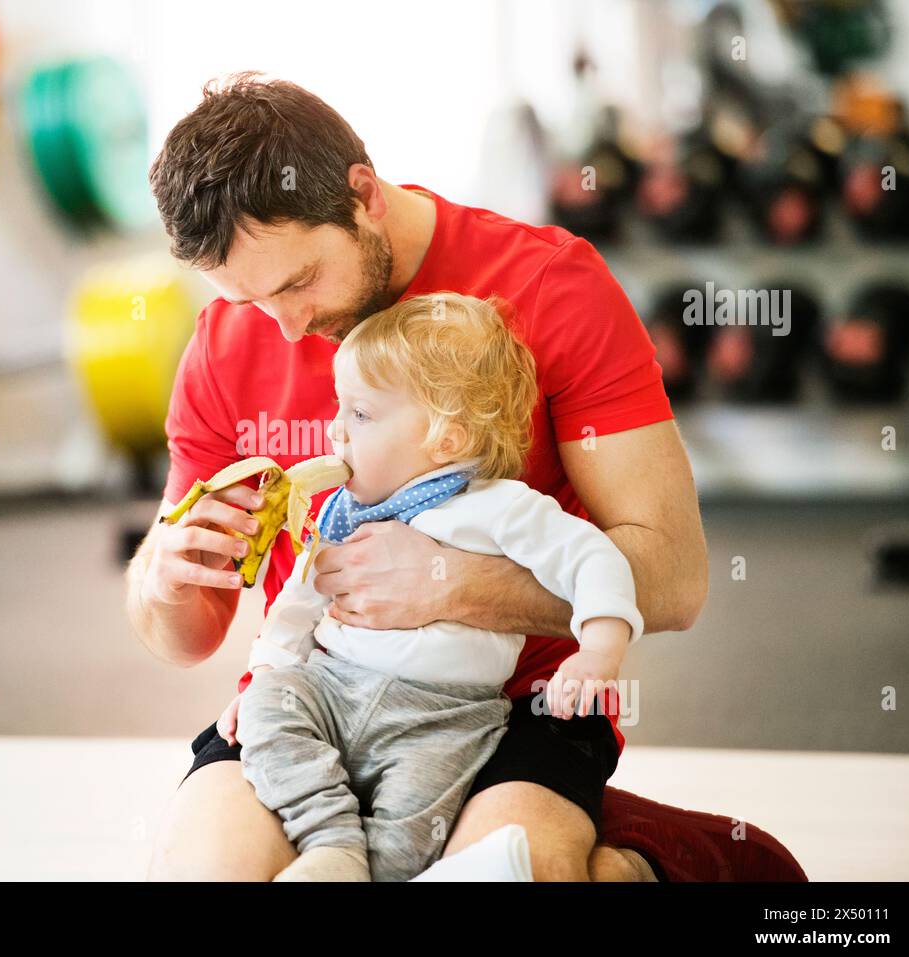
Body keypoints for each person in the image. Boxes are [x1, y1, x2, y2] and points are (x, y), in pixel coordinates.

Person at [127, 72, 807, 882]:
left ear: (363, 196)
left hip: (513, 709)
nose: (287, 326)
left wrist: (457, 585)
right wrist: (162, 579)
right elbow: (184, 638)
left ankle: (631, 862)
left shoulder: (553, 287)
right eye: (246, 300)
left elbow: (677, 578)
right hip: (311, 700)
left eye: (299, 282)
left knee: (501, 873)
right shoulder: (225, 342)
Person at [228, 292, 643, 882]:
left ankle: (376, 867)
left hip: (440, 718)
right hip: (329, 685)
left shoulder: (499, 509)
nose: (334, 430)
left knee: (411, 834)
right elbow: (300, 599)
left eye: (361, 415)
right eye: (338, 407)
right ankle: (330, 842)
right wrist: (267, 673)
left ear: (445, 439)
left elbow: (594, 559)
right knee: (267, 710)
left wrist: (600, 649)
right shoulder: (341, 510)